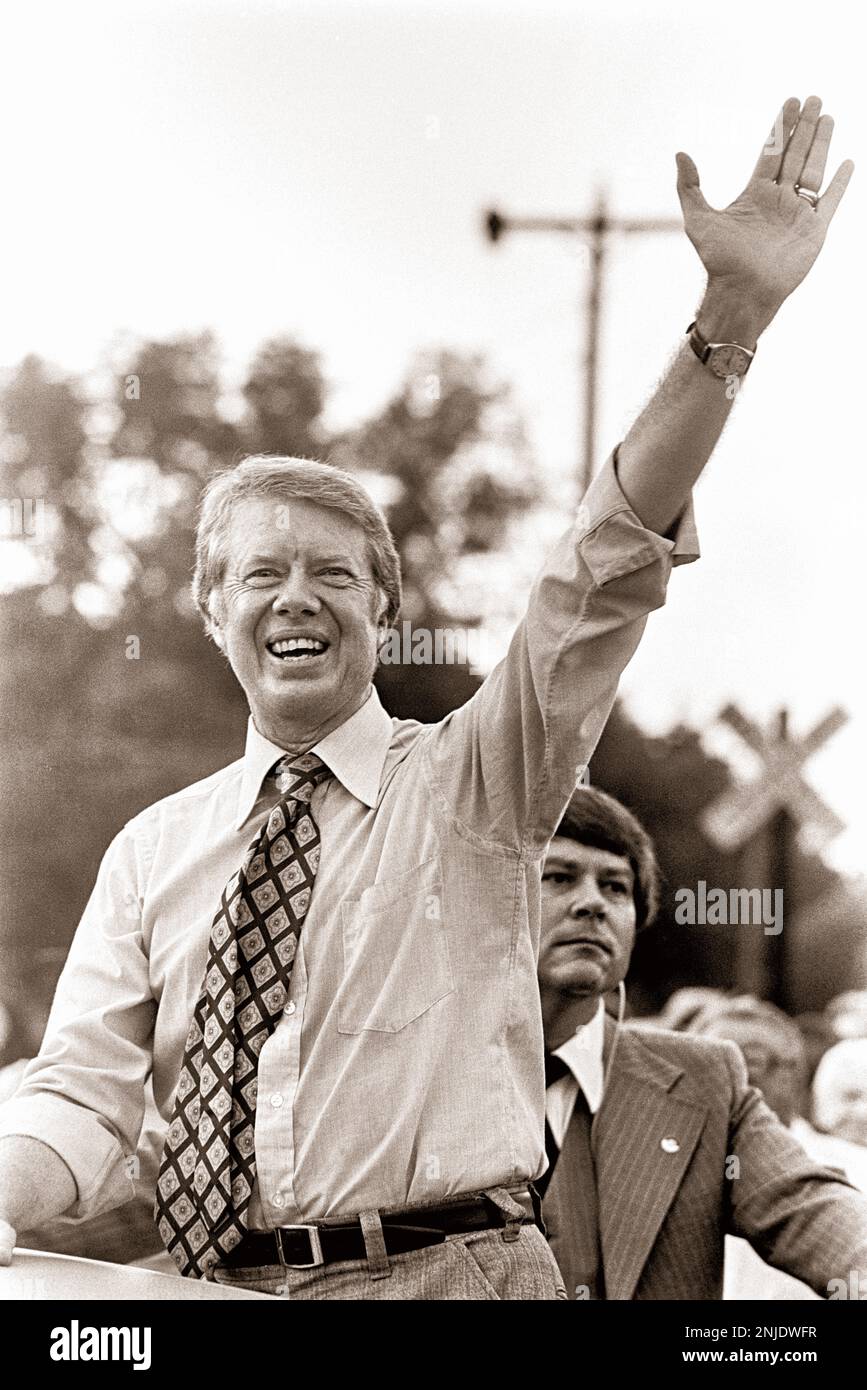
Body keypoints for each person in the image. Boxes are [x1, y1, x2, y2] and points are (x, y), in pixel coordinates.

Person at [0, 96, 853, 1300]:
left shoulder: (475, 782)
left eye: (334, 573)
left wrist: (732, 318)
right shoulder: (151, 854)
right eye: (262, 572)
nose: (297, 597)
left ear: (378, 610)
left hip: (453, 1280)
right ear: (213, 612)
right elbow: (81, 1091)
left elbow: (595, 578)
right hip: (221, 1297)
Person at [536, 785, 867, 1300]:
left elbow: (810, 1209)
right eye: (558, 877)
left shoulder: (705, 1080)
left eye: (616, 887)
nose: (592, 904)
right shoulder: (417, 1074)